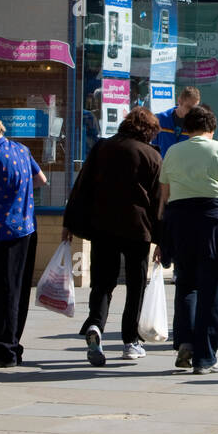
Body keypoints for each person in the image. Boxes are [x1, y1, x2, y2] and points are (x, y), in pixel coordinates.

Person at [66, 107, 163, 365]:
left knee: (102, 282)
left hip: (103, 226)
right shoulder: (152, 156)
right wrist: (162, 238)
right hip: (137, 229)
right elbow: (157, 201)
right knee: (136, 285)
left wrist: (70, 221)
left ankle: (96, 325)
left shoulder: (102, 147)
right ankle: (130, 341)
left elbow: (82, 185)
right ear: (149, 132)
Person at [157, 104, 218, 373]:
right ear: (213, 128)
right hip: (213, 223)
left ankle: (185, 341)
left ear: (186, 128)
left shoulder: (173, 151)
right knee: (211, 290)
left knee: (185, 284)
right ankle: (205, 357)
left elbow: (165, 194)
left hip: (180, 221)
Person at [0, 114, 47, 368]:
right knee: (20, 290)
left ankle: (3, 349)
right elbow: (41, 180)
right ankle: (14, 345)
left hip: (6, 230)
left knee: (4, 291)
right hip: (28, 227)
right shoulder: (22, 149)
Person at [152, 86, 200, 159]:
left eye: (194, 108)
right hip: (164, 166)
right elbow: (154, 146)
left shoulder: (195, 124)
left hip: (184, 167)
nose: (191, 111)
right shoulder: (161, 118)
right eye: (188, 107)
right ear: (179, 101)